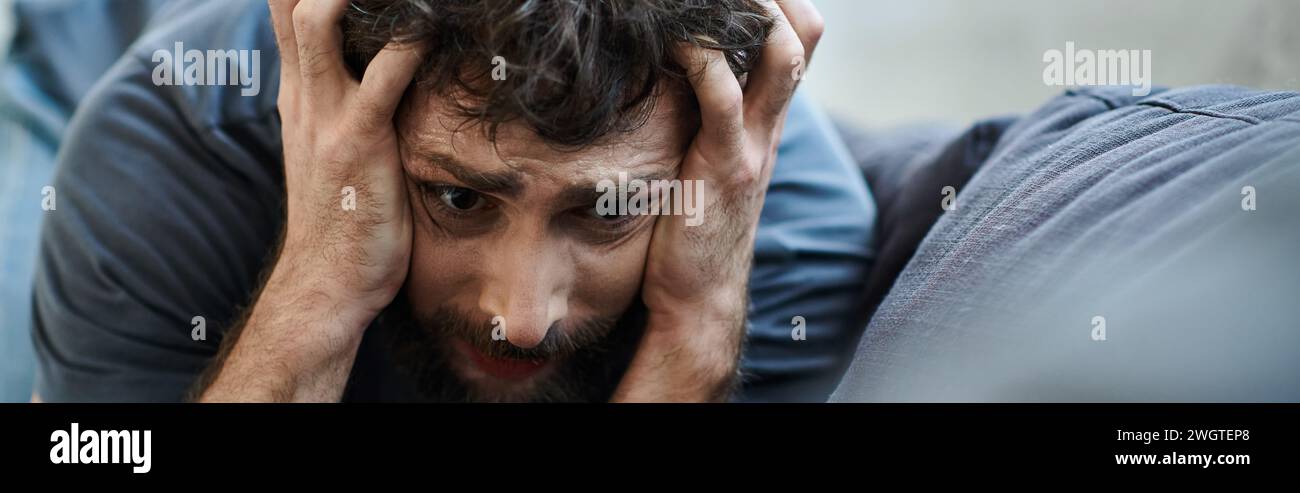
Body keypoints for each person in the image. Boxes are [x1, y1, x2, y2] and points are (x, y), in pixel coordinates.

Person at [30, 0, 876, 402]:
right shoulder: (166, 155)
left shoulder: (794, 237)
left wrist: (694, 340)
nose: (524, 317)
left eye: (609, 207)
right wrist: (317, 292)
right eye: (459, 197)